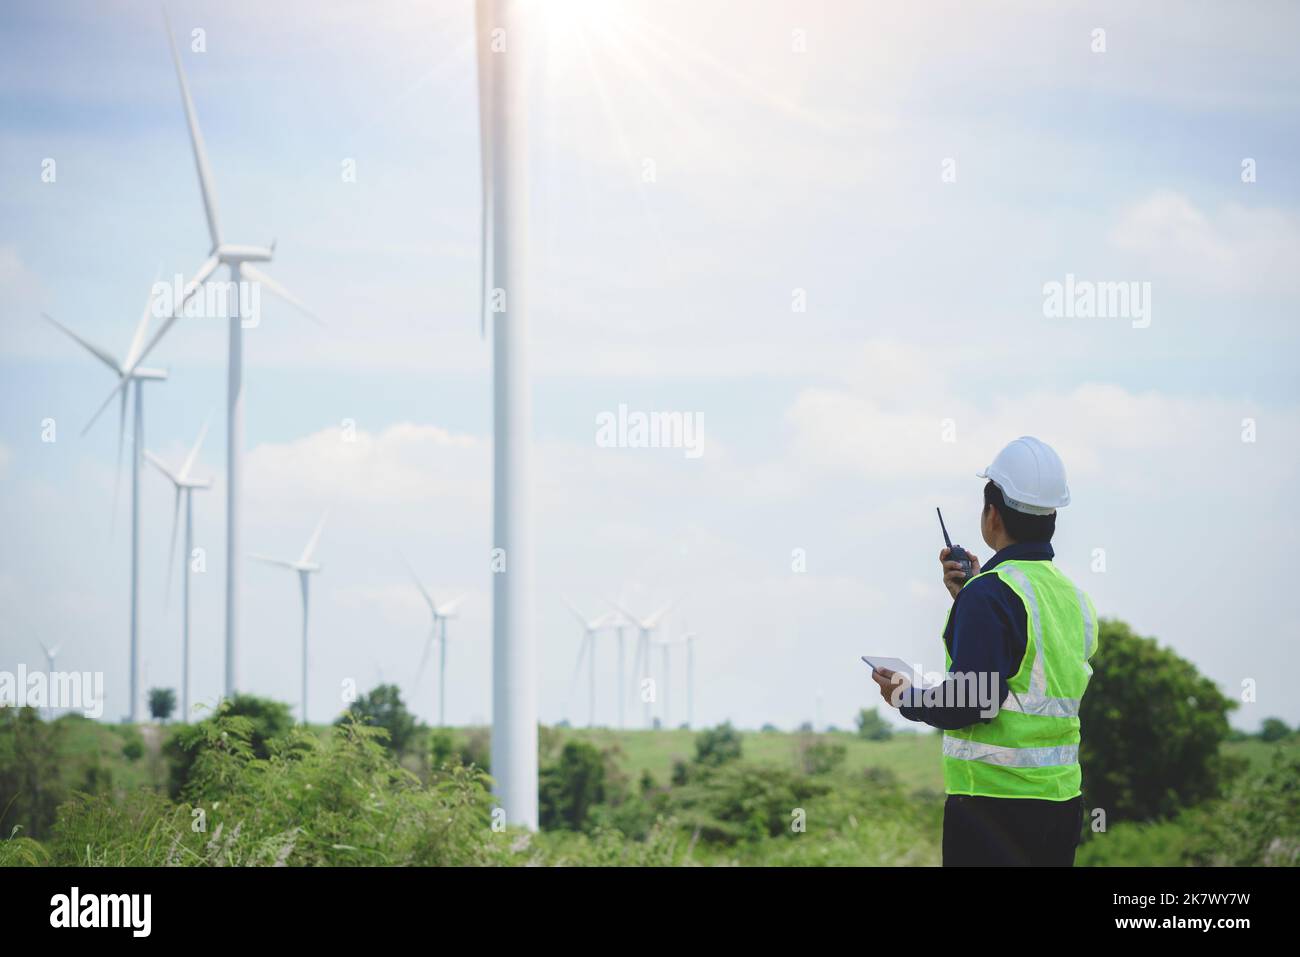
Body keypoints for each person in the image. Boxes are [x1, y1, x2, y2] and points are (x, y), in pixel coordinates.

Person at [870, 436, 1098, 866]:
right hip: (1061, 805)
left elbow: (972, 702)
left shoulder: (990, 595)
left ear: (991, 514)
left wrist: (906, 696)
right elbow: (1026, 667)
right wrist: (969, 597)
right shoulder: (1072, 597)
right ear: (1051, 516)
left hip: (992, 806)